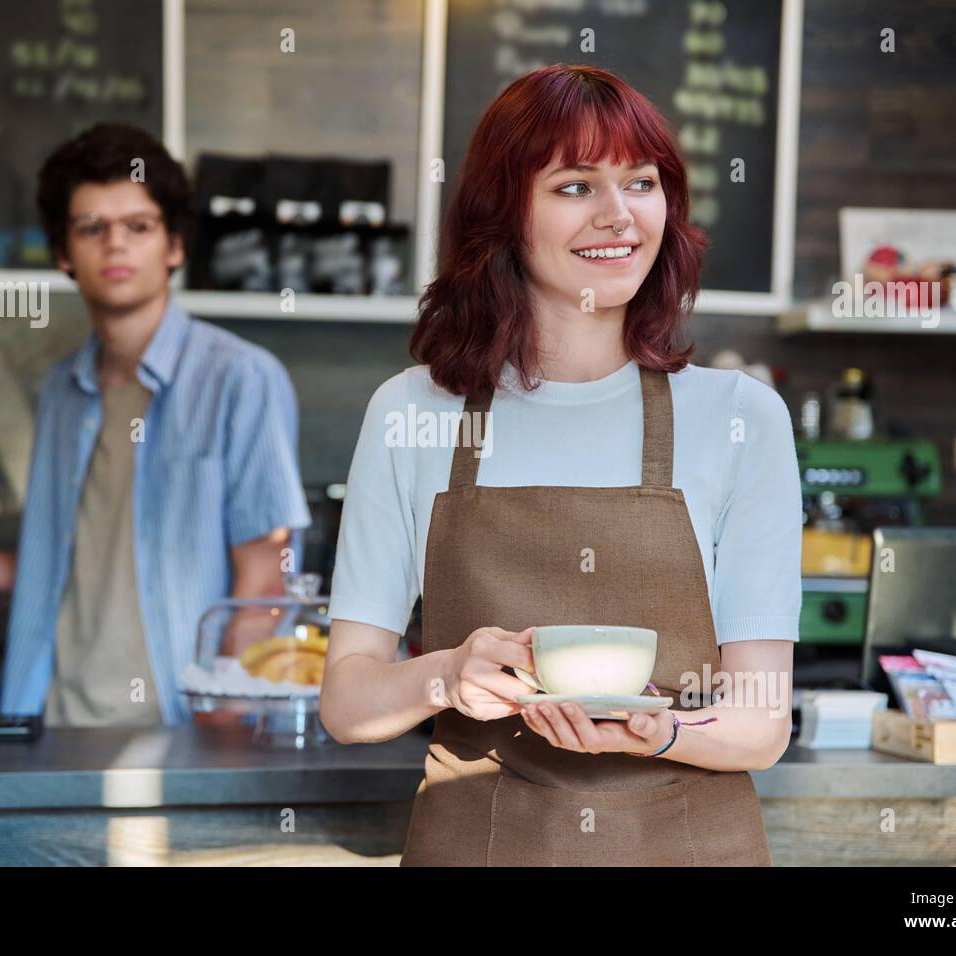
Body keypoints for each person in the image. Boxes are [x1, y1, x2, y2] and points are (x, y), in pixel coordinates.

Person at [319, 65, 801, 866]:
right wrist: (446, 674)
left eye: (641, 182)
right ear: (503, 214)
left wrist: (663, 730)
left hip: (686, 847)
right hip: (477, 840)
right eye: (576, 185)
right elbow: (347, 698)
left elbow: (761, 717)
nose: (619, 215)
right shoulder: (412, 412)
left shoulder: (741, 417)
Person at [0, 123, 310, 727]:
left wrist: (225, 734)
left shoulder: (241, 379)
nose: (115, 245)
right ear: (63, 253)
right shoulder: (62, 391)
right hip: (54, 721)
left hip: (179, 728)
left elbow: (264, 582)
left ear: (175, 245)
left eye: (138, 226)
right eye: (91, 228)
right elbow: (80, 559)